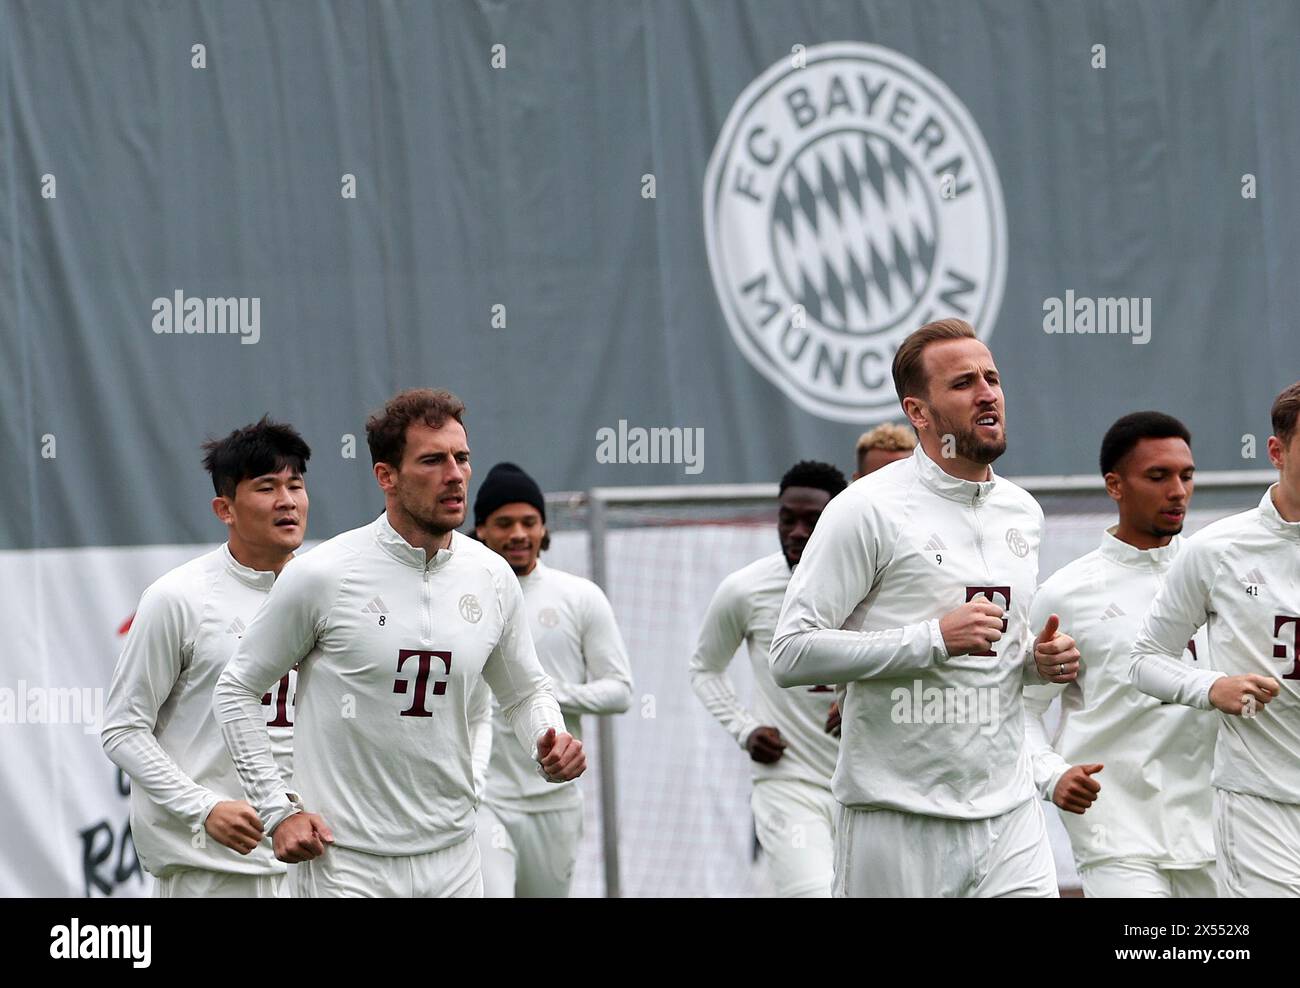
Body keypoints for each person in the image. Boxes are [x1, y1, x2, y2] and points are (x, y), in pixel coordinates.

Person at [214, 388, 585, 897]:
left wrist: (549, 735)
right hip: (346, 865)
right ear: (386, 476)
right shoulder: (323, 574)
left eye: (462, 457)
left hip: (455, 859)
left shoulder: (492, 575)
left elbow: (524, 692)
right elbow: (235, 690)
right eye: (432, 460)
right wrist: (278, 812)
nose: (454, 474)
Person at [770, 318, 1079, 898]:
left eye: (992, 377)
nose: (987, 393)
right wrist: (933, 639)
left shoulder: (1022, 511)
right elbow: (790, 654)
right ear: (919, 412)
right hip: (896, 817)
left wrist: (1039, 661)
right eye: (963, 383)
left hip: (1009, 814)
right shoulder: (865, 510)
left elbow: (995, 651)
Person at [102, 417, 310, 897]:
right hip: (211, 872)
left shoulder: (329, 594)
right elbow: (123, 728)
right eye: (266, 487)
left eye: (295, 485)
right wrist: (204, 807)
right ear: (225, 508)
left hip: (314, 868)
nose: (287, 501)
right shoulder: (178, 597)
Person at [1024, 411, 1216, 897]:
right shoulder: (1064, 594)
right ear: (1115, 485)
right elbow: (1016, 712)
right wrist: (1052, 775)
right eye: (1158, 476)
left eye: (1186, 475)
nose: (1178, 490)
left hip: (1218, 828)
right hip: (1116, 834)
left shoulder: (1221, 578)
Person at [1130, 382, 1300, 896]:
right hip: (1260, 804)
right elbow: (1144, 661)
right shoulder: (1216, 551)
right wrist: (1210, 688)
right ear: (1277, 451)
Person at [472, 462, 633, 897]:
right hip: (484, 799)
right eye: (504, 523)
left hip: (555, 802)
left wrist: (543, 697)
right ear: (481, 530)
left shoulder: (579, 596)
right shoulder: (463, 597)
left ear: (544, 528)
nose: (519, 533)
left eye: (529, 521)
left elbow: (619, 690)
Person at [689, 460, 846, 897]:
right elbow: (704, 668)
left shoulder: (872, 586)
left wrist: (858, 699)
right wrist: (745, 728)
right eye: (787, 518)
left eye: (812, 520)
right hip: (787, 782)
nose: (796, 531)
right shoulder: (746, 589)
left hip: (864, 779)